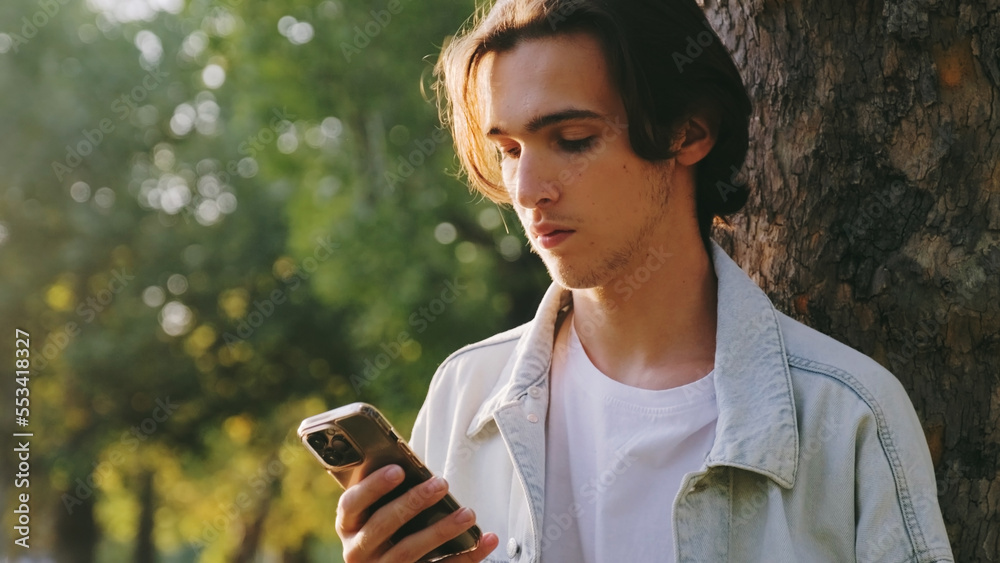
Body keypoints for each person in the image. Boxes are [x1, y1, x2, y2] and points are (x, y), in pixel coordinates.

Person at [333, 0, 955, 561]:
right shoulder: (465, 397)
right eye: (510, 150)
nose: (527, 191)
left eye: (572, 140)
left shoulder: (846, 416)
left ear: (689, 132)